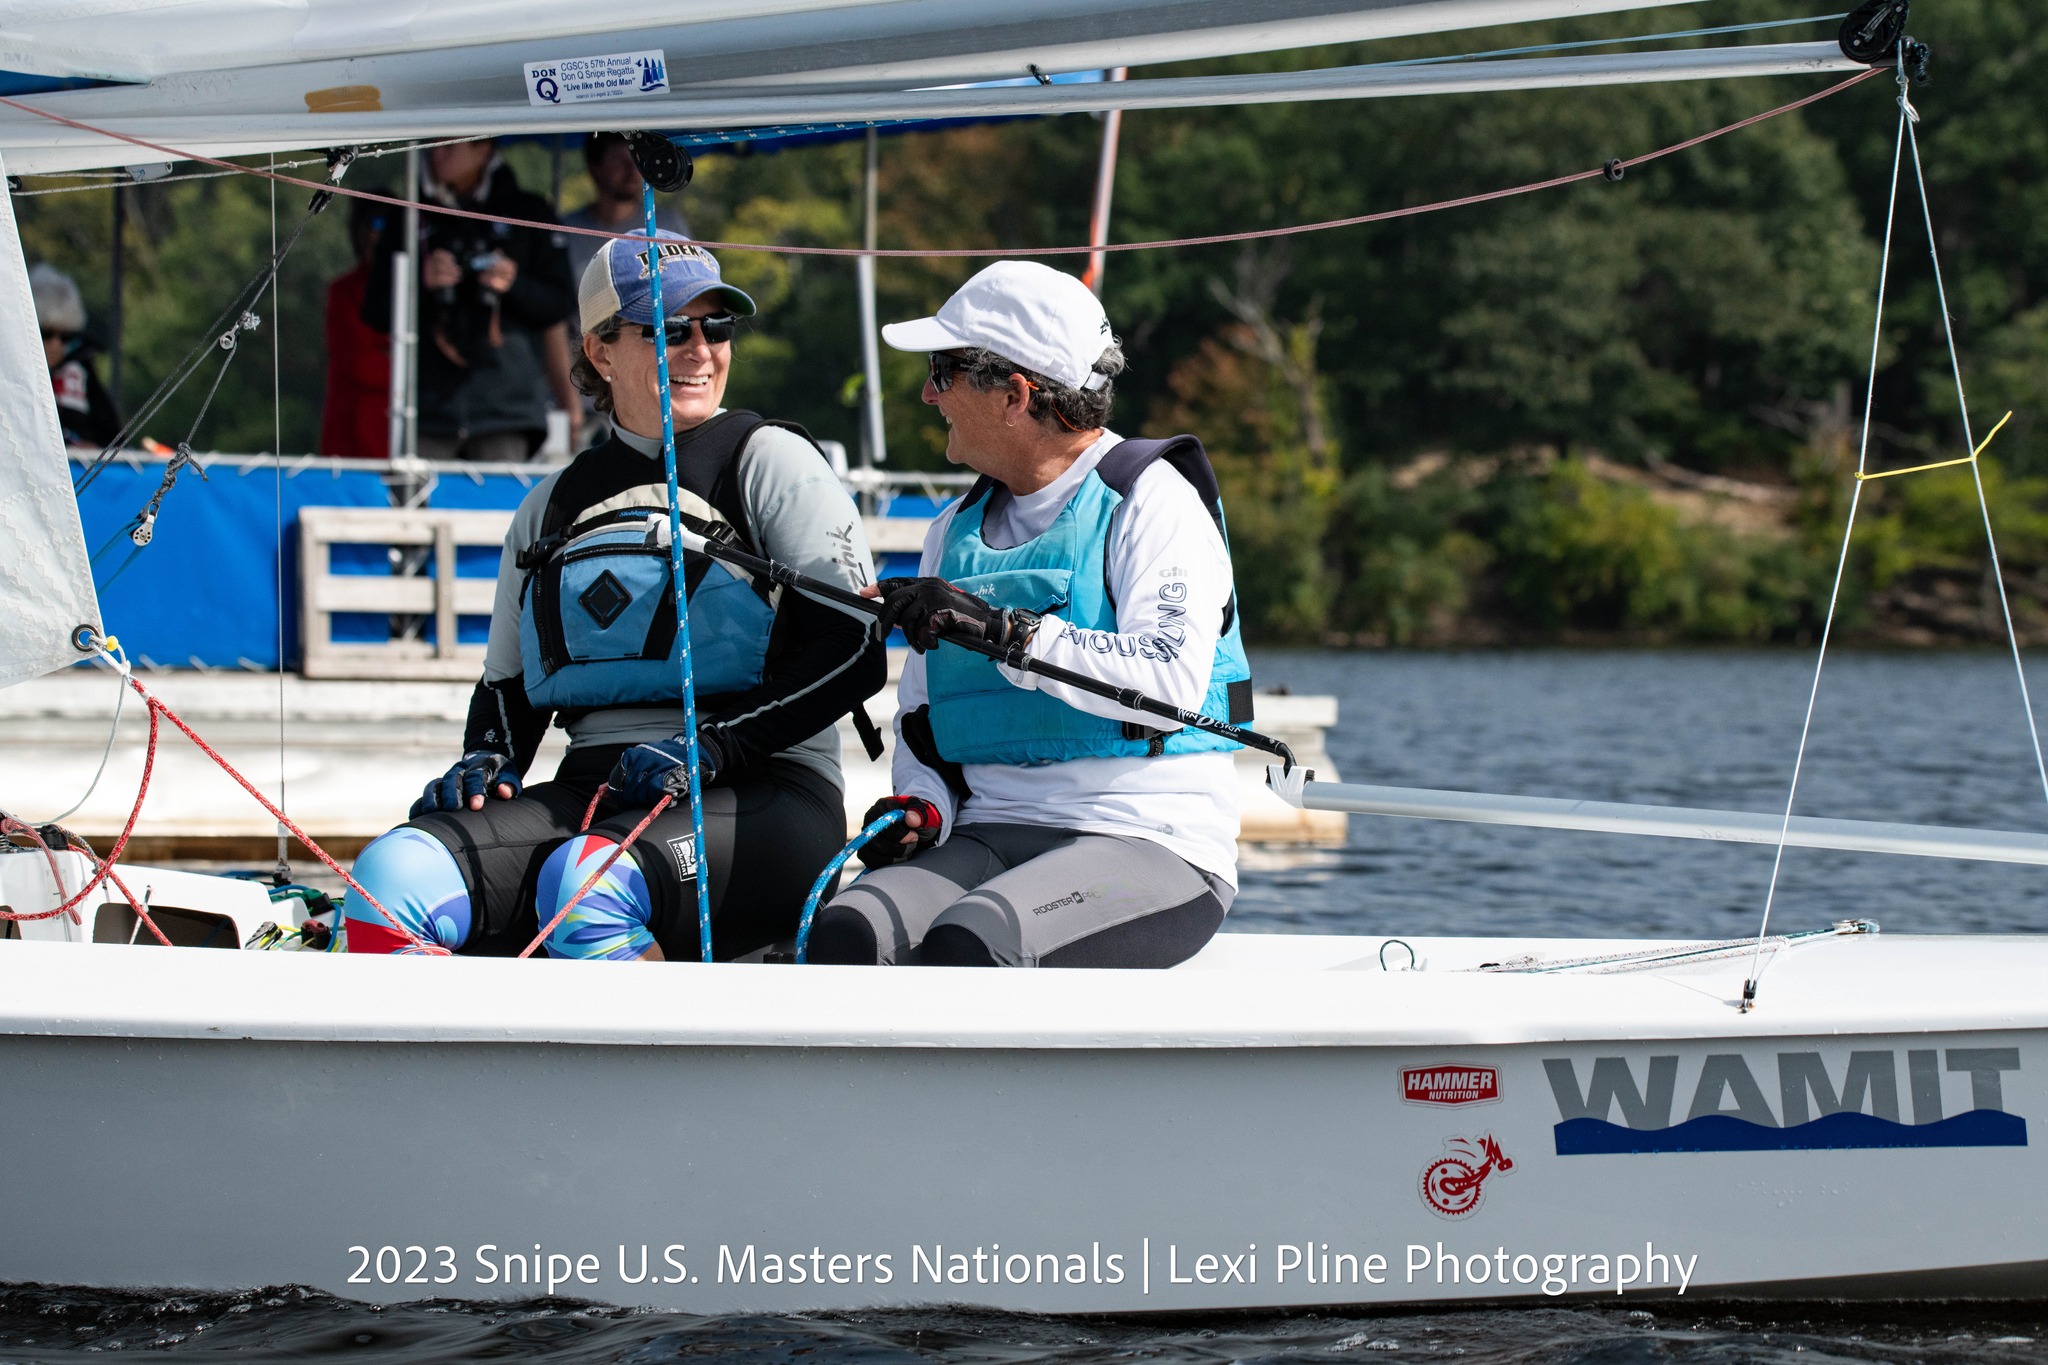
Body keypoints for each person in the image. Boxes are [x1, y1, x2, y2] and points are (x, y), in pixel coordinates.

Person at [344, 233, 885, 960]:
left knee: (584, 888)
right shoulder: (551, 505)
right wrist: (487, 759)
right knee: (389, 879)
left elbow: (854, 652)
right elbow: (507, 691)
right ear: (600, 352)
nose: (700, 349)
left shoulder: (772, 464)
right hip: (596, 788)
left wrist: (714, 747)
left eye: (716, 326)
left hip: (767, 790)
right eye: (668, 329)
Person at [807, 261, 1254, 969]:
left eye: (942, 370)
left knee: (971, 943)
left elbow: (1169, 685)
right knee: (846, 934)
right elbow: (922, 719)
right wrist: (921, 806)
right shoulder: (950, 528)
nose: (929, 394)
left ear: (1015, 394)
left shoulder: (1152, 501)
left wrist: (1002, 632)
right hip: (989, 829)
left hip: (1148, 839)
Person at [361, 139, 574, 462]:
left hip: (505, 411)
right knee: (421, 511)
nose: (436, 154)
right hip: (428, 409)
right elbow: (374, 312)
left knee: (501, 511)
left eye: (448, 146)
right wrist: (420, 281)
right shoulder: (408, 217)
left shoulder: (529, 212)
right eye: (430, 146)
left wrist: (514, 283)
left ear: (484, 149)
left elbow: (560, 303)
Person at [557, 133, 691, 450]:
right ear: (594, 166)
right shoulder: (565, 232)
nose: (631, 171)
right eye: (619, 161)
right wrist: (567, 402)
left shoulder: (667, 226)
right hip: (583, 390)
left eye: (637, 162)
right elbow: (555, 321)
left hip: (652, 386)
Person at [318, 191, 391, 458]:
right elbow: (361, 364)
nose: (378, 236)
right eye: (373, 225)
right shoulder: (345, 292)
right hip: (354, 438)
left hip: (413, 436)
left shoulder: (420, 289)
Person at [31, 263, 121, 449]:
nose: (56, 344)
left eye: (65, 337)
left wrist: (93, 446)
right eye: (47, 334)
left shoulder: (82, 368)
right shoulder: (12, 372)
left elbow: (113, 436)